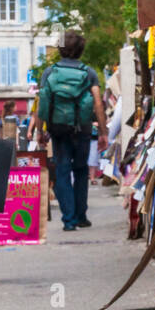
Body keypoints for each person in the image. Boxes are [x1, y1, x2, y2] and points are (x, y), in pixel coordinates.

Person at [37, 30, 108, 231]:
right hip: (83, 128)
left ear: (60, 49)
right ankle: (80, 216)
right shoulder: (88, 73)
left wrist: (39, 131)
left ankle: (68, 220)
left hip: (58, 128)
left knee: (62, 171)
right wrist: (103, 132)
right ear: (80, 50)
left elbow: (43, 102)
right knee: (81, 170)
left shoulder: (50, 73)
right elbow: (98, 104)